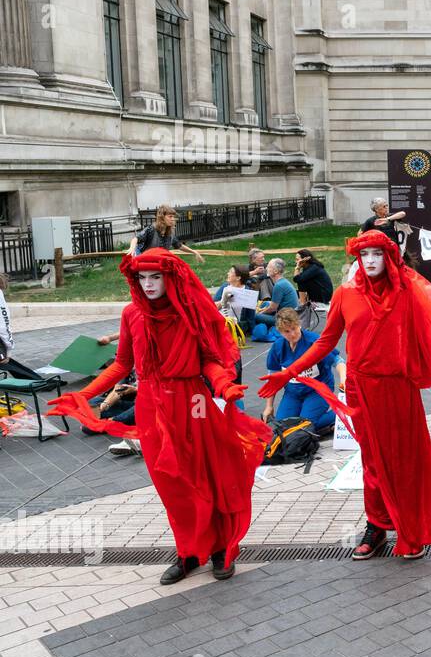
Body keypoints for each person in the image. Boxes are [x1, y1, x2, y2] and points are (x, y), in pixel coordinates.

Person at [259, 230, 431, 560]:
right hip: (362, 389)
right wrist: (289, 371)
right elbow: (325, 343)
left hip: (398, 388)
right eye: (363, 256)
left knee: (405, 459)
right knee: (372, 462)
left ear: (389, 257)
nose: (370, 261)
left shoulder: (407, 291)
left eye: (377, 254)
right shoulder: (346, 294)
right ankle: (376, 527)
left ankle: (410, 527)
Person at [49, 249, 269, 584]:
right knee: (172, 486)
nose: (148, 284)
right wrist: (84, 394)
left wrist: (224, 384)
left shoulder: (190, 312)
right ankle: (189, 552)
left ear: (170, 278)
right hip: (152, 406)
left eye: (156, 277)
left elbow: (210, 359)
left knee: (207, 476)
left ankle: (221, 548)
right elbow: (122, 365)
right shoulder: (131, 315)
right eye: (142, 277)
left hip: (192, 401)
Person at [260, 308, 343, 433]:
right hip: (293, 393)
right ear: (280, 332)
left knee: (304, 426)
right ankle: (318, 423)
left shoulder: (314, 341)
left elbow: (338, 361)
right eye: (287, 331)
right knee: (282, 428)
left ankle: (340, 415)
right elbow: (272, 378)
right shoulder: (278, 347)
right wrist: (269, 406)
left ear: (299, 324)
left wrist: (344, 378)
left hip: (318, 391)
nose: (292, 334)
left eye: (294, 328)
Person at [127, 204, 205, 264]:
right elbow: (136, 238)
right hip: (145, 261)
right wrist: (132, 248)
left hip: (159, 261)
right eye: (170, 216)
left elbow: (179, 245)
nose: (172, 219)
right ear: (162, 217)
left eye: (173, 217)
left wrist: (194, 252)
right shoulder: (152, 229)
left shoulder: (170, 233)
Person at [252, 258, 298, 337]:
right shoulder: (283, 282)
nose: (266, 268)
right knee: (265, 304)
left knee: (252, 315)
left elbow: (272, 308)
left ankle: (252, 330)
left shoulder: (279, 285)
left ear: (276, 271)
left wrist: (259, 312)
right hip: (289, 315)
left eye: (269, 267)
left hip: (284, 319)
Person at [214, 264, 257, 340]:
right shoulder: (225, 286)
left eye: (230, 272)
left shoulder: (248, 292)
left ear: (238, 277)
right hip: (219, 321)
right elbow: (212, 307)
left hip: (234, 326)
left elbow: (251, 316)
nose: (228, 273)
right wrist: (224, 300)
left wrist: (252, 332)